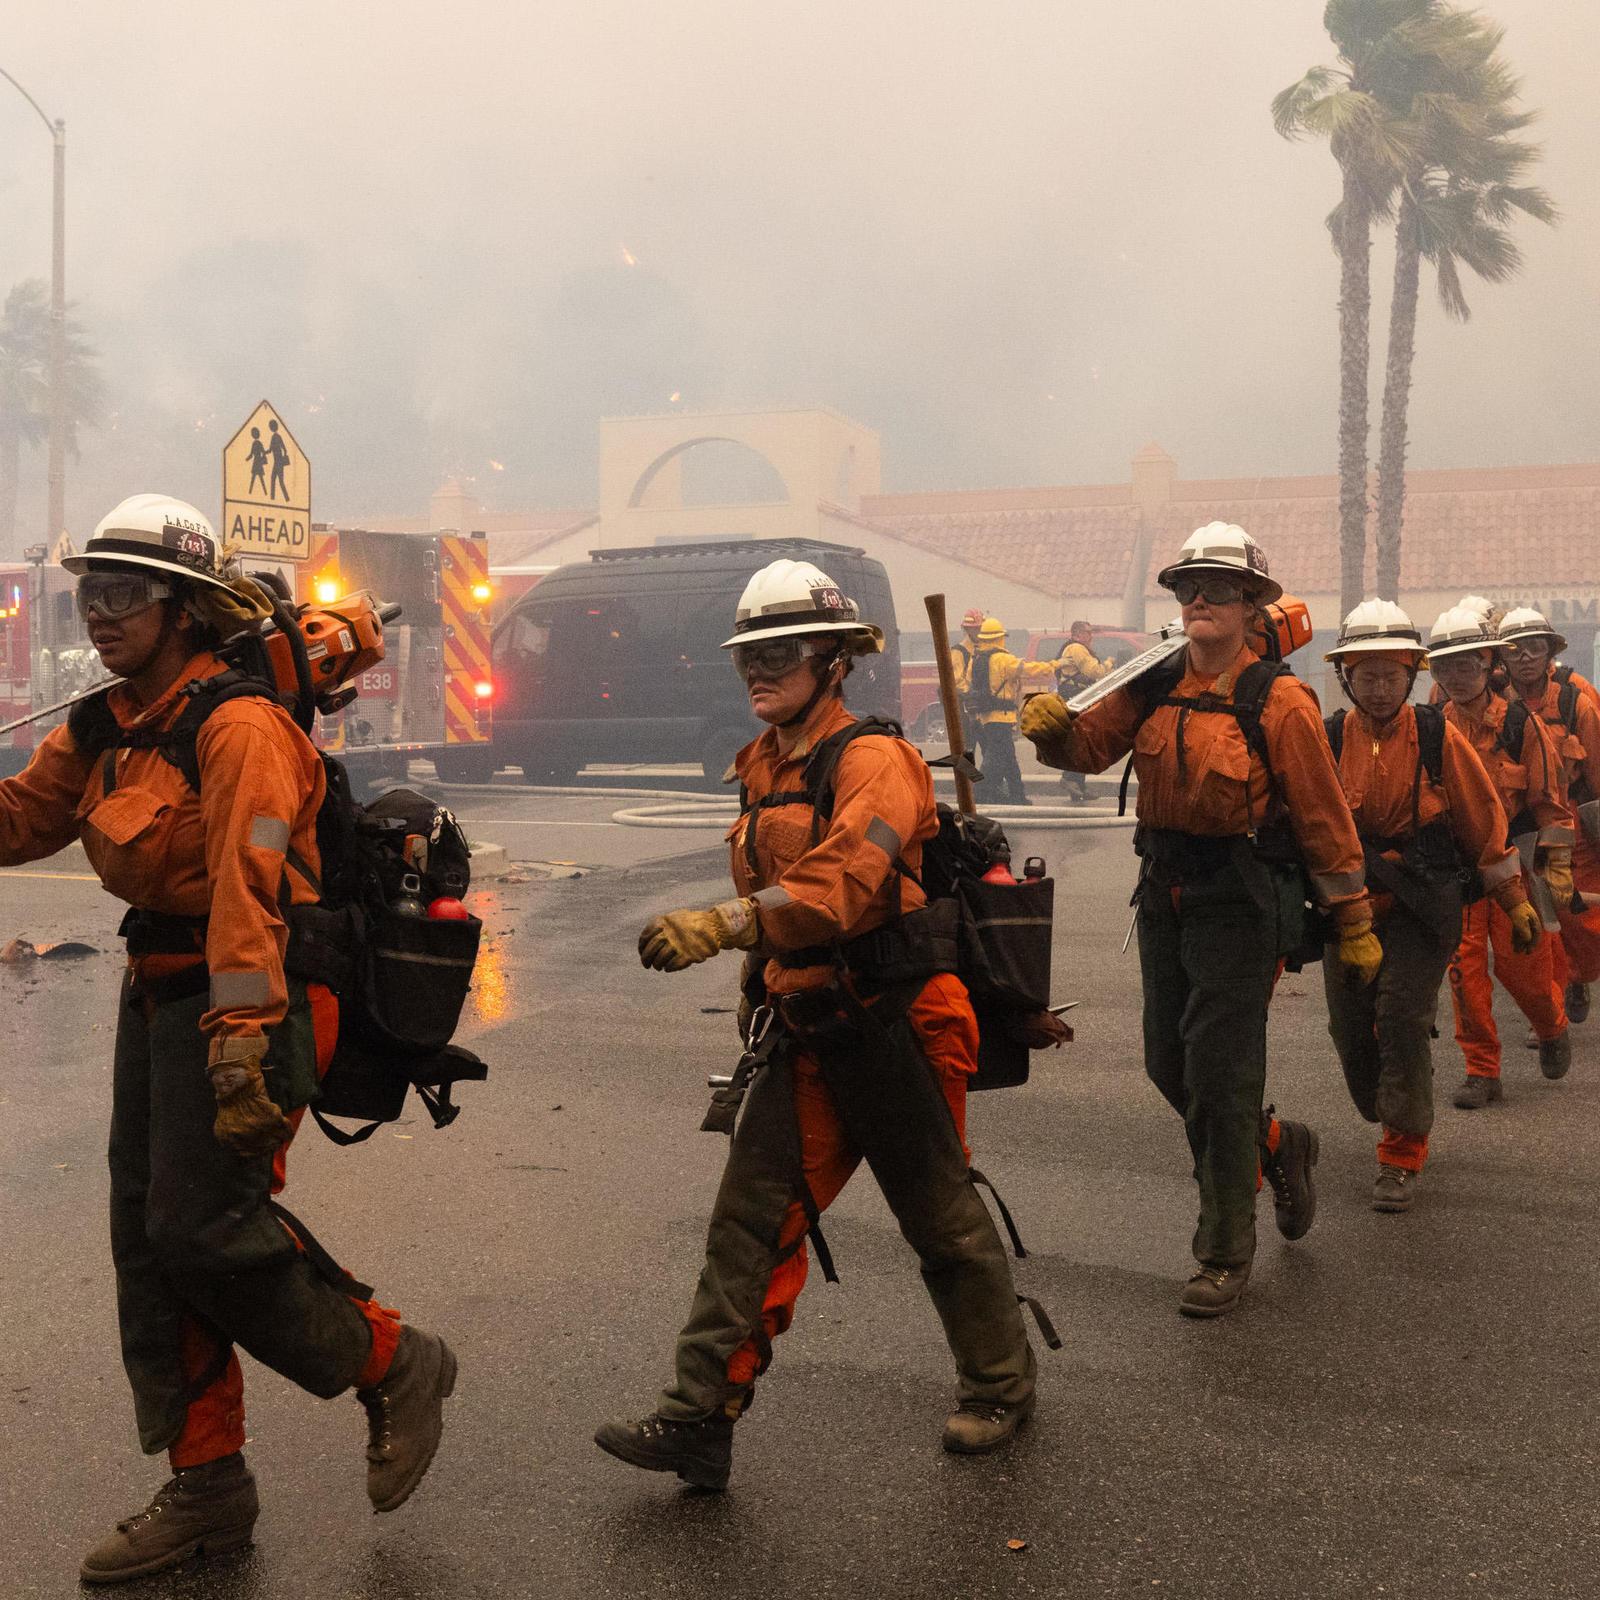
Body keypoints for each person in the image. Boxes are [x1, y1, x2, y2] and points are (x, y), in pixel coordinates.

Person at [0, 496, 457, 1584]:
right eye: (89, 593)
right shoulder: (106, 723)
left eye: (124, 593)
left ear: (185, 608)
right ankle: (207, 1487)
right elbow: (18, 819)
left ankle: (393, 1361)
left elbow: (251, 891)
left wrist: (243, 1038)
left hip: (253, 999)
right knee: (151, 1242)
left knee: (204, 1226)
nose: (100, 614)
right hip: (158, 995)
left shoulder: (241, 726)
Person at [595, 559, 1040, 1489]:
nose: (759, 671)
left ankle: (1001, 1384)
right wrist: (760, 981)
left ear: (835, 661)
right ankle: (698, 1417)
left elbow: (843, 884)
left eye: (781, 652)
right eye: (747, 656)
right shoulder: (761, 765)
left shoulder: (875, 760)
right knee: (750, 1223)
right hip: (809, 1019)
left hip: (902, 1020)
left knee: (940, 1216)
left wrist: (727, 924)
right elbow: (786, 903)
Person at [1019, 522, 1375, 1317]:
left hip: (1238, 898)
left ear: (1253, 605)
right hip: (1165, 892)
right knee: (1164, 1062)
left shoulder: (1279, 699)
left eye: (1218, 588)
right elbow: (1086, 748)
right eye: (1187, 587)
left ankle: (1223, 1251)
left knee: (1219, 1075)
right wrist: (1050, 732)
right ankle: (1281, 1145)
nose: (1200, 600)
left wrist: (1352, 916)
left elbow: (1322, 816)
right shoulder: (1153, 680)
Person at [1321, 602, 1540, 1212]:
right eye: (1368, 675)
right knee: (1349, 1029)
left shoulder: (1439, 737)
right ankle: (1386, 1109)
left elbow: (1483, 822)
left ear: (1413, 676)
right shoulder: (1327, 737)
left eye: (1394, 674)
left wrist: (1514, 898)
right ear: (1347, 678)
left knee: (1398, 1015)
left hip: (1425, 904)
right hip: (1348, 907)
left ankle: (1401, 1151)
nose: (1382, 686)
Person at [1426, 605, 1575, 1105]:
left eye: (1466, 665)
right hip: (1458, 872)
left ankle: (1551, 1026)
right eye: (1444, 667)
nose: (1454, 676)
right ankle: (1482, 1071)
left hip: (1516, 867)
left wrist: (1556, 870)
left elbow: (1551, 804)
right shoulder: (1430, 728)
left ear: (1490, 663)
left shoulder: (1520, 725)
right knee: (1464, 975)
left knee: (1524, 972)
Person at [1497, 607, 1600, 1026]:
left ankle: (1581, 976)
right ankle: (1552, 1011)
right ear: (1501, 658)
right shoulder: (1495, 705)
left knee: (1581, 918)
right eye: (1515, 650)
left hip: (1574, 825)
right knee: (1542, 923)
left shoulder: (1577, 701)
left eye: (1533, 648)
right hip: (1521, 830)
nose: (1524, 658)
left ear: (1549, 653)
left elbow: (1597, 777)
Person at [964, 616, 1051, 806]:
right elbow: (1028, 669)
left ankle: (1017, 795)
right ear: (998, 638)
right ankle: (977, 795)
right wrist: (1054, 665)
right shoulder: (1002, 659)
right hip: (1001, 718)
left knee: (1009, 759)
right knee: (993, 760)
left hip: (986, 716)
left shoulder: (976, 659)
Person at [1052, 621, 1114, 802]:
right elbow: (1095, 672)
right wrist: (1109, 663)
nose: (1091, 636)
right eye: (1088, 632)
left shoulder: (1076, 648)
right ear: (1077, 634)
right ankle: (1069, 778)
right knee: (1081, 740)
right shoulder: (1076, 648)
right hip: (1076, 698)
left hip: (1077, 697)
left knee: (1083, 740)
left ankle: (1078, 786)